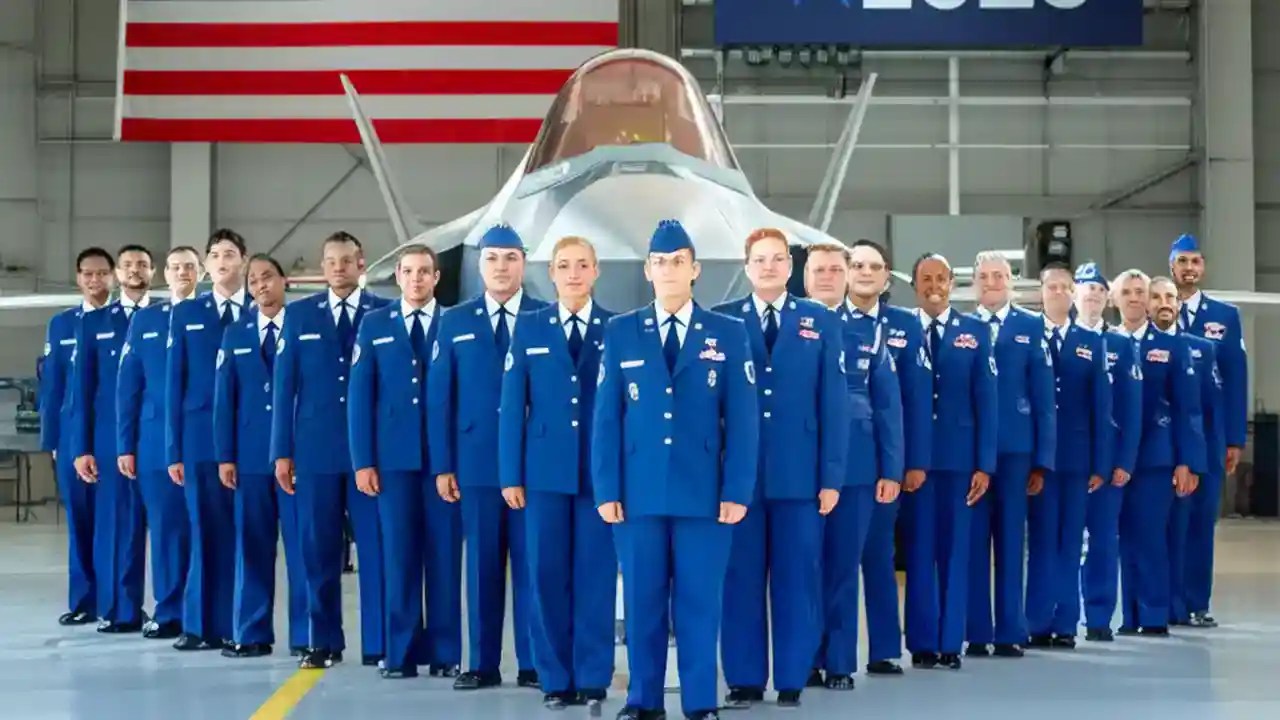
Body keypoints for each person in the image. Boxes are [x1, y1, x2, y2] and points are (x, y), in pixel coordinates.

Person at [593, 219, 758, 720]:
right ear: (647, 270)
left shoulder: (727, 333)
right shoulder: (621, 332)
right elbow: (606, 419)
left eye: (678, 262)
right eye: (660, 262)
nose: (668, 270)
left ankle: (700, 701)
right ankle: (643, 700)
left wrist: (737, 490)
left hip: (704, 495)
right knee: (642, 602)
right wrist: (606, 488)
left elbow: (744, 420)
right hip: (638, 494)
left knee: (698, 603)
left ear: (695, 270)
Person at [714, 229, 847, 706]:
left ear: (790, 267)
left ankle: (792, 676)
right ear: (746, 266)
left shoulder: (819, 320)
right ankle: (744, 678)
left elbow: (834, 403)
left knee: (797, 579)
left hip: (800, 477)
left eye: (777, 259)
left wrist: (831, 477)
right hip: (740, 479)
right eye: (759, 259)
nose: (768, 266)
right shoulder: (723, 320)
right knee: (740, 580)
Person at [498, 236, 616, 710]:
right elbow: (512, 405)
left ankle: (592, 675)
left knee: (595, 577)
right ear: (550, 273)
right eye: (564, 265)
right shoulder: (529, 328)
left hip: (597, 475)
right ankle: (555, 677)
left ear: (596, 271)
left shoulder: (616, 328)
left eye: (582, 265)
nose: (573, 274)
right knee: (545, 575)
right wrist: (510, 474)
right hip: (543, 474)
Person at [428, 223, 547, 690]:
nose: (501, 267)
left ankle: (534, 662)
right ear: (480, 265)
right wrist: (443, 465)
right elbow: (440, 399)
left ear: (524, 264)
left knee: (533, 564)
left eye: (511, 258)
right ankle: (481, 662)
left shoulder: (544, 317)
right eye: (493, 258)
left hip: (532, 464)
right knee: (481, 565)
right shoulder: (455, 321)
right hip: (475, 463)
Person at [272, 231, 390, 669]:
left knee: (376, 549)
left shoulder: (384, 313)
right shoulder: (299, 316)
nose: (338, 268)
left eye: (346, 260)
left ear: (361, 264)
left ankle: (379, 643)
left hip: (370, 454)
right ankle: (321, 640)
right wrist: (281, 452)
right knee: (317, 549)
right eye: (331, 261)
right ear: (322, 267)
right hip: (315, 452)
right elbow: (284, 387)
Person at [348, 245, 462, 679]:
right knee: (398, 556)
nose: (416, 279)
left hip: (442, 461)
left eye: (424, 271)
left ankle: (446, 653)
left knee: (444, 556)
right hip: (392, 463)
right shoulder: (374, 325)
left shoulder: (455, 323)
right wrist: (363, 461)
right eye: (409, 271)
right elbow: (360, 397)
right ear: (397, 276)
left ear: (436, 278)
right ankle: (400, 652)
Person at [804, 241, 903, 689]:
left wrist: (891, 469)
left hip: (858, 467)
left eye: (834, 269)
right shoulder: (789, 325)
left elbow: (887, 405)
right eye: (818, 270)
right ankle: (805, 657)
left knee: (844, 566)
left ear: (846, 276)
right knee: (804, 568)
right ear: (805, 277)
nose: (827, 277)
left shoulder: (869, 331)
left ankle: (840, 662)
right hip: (799, 467)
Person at [840, 239, 928, 677]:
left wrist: (910, 462)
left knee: (879, 555)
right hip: (839, 463)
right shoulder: (828, 322)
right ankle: (830, 654)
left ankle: (884, 649)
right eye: (858, 265)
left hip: (885, 460)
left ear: (886, 275)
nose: (866, 273)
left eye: (874, 266)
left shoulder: (906, 325)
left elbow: (913, 398)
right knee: (837, 561)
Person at [213, 253, 308, 658]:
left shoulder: (305, 326)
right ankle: (251, 632)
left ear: (284, 281)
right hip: (250, 458)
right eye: (252, 281)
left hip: (299, 455)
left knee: (303, 548)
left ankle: (308, 636)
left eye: (267, 277)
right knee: (252, 546)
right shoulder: (235, 334)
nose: (260, 285)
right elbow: (224, 399)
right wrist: (225, 455)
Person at [903, 253, 995, 671]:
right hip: (916, 462)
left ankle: (950, 641)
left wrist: (985, 464)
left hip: (960, 461)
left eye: (941, 278)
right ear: (914, 285)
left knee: (957, 552)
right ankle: (923, 641)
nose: (934, 286)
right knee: (919, 550)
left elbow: (987, 400)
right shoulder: (901, 329)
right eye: (926, 279)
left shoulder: (974, 331)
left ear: (952, 283)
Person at [967, 251, 1056, 659]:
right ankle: (975, 630)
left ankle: (1009, 630)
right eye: (984, 276)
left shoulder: (1031, 326)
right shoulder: (964, 327)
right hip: (971, 453)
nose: (991, 282)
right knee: (973, 542)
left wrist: (1042, 459)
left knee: (1010, 541)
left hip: (1015, 451)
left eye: (999, 275)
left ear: (1011, 280)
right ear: (974, 283)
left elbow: (1044, 398)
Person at [167, 229, 250, 651]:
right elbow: (174, 383)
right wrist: (174, 449)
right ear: (206, 265)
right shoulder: (187, 313)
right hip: (199, 439)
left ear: (243, 261)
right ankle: (199, 625)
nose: (221, 261)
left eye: (229, 254)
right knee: (203, 531)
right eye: (214, 255)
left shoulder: (260, 310)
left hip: (251, 438)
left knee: (247, 535)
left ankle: (241, 626)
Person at [1110, 269, 1204, 636]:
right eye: (1129, 292)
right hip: (1114, 457)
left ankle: (1153, 615)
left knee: (1150, 536)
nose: (1135, 298)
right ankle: (1130, 616)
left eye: (1142, 292)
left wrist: (1186, 460)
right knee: (1124, 537)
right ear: (1115, 299)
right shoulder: (1105, 343)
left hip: (1155, 457)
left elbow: (1187, 408)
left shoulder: (1172, 347)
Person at [1024, 263, 1111, 649]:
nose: (1058, 293)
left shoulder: (1090, 341)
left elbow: (1101, 407)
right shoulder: (1026, 335)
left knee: (1071, 541)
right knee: (1041, 540)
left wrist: (1100, 463)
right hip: (1038, 459)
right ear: (1040, 293)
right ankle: (1037, 620)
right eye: (1052, 287)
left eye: (1065, 287)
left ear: (1074, 293)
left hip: (1076, 459)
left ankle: (1065, 622)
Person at [116, 246, 201, 640]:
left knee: (205, 529)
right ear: (164, 274)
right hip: (152, 442)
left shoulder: (213, 316)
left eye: (190, 266)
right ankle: (169, 612)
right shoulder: (147, 320)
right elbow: (128, 387)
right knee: (166, 529)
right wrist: (125, 445)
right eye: (175, 267)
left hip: (200, 439)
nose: (182, 272)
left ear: (200, 273)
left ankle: (203, 613)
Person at [72, 244, 155, 633]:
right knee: (118, 527)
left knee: (171, 528)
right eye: (127, 265)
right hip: (108, 442)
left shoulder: (166, 317)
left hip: (157, 437)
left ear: (152, 271)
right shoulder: (94, 324)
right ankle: (122, 611)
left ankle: (175, 613)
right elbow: (81, 392)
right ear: (117, 274)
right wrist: (81, 447)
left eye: (142, 264)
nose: (135, 270)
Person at [1169, 233, 1245, 627]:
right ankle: (1166, 602)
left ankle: (1197, 602)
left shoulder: (1224, 316)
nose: (1189, 268)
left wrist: (1235, 438)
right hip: (1168, 438)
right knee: (1168, 522)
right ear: (1171, 267)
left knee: (1201, 522)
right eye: (1182, 261)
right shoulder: (1158, 309)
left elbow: (1236, 379)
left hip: (1211, 437)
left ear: (1203, 267)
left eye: (1195, 261)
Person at [41, 247, 113, 626]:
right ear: (78, 277)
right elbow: (51, 387)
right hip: (71, 438)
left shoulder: (125, 321)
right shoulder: (62, 325)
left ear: (112, 276)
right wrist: (53, 440)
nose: (95, 279)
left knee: (115, 524)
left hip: (112, 435)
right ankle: (85, 601)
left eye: (102, 273)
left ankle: (117, 603)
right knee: (80, 521)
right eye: (88, 273)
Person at [1146, 276, 1223, 627]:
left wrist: (1198, 461)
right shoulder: (1134, 346)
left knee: (1193, 532)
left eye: (1170, 297)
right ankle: (1162, 606)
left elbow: (1207, 411)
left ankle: (1194, 603)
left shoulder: (1200, 350)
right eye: (1157, 297)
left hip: (1192, 458)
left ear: (1179, 304)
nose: (1164, 302)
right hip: (1151, 458)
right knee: (1156, 537)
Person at [1075, 263, 1143, 642]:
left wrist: (1124, 462)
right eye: (1087, 289)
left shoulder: (1120, 345)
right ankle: (1060, 616)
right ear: (1076, 295)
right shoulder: (1059, 339)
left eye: (1100, 291)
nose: (1093, 296)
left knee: (1103, 540)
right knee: (1061, 540)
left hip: (1108, 462)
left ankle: (1099, 616)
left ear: (1108, 299)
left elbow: (1132, 409)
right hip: (1067, 463)